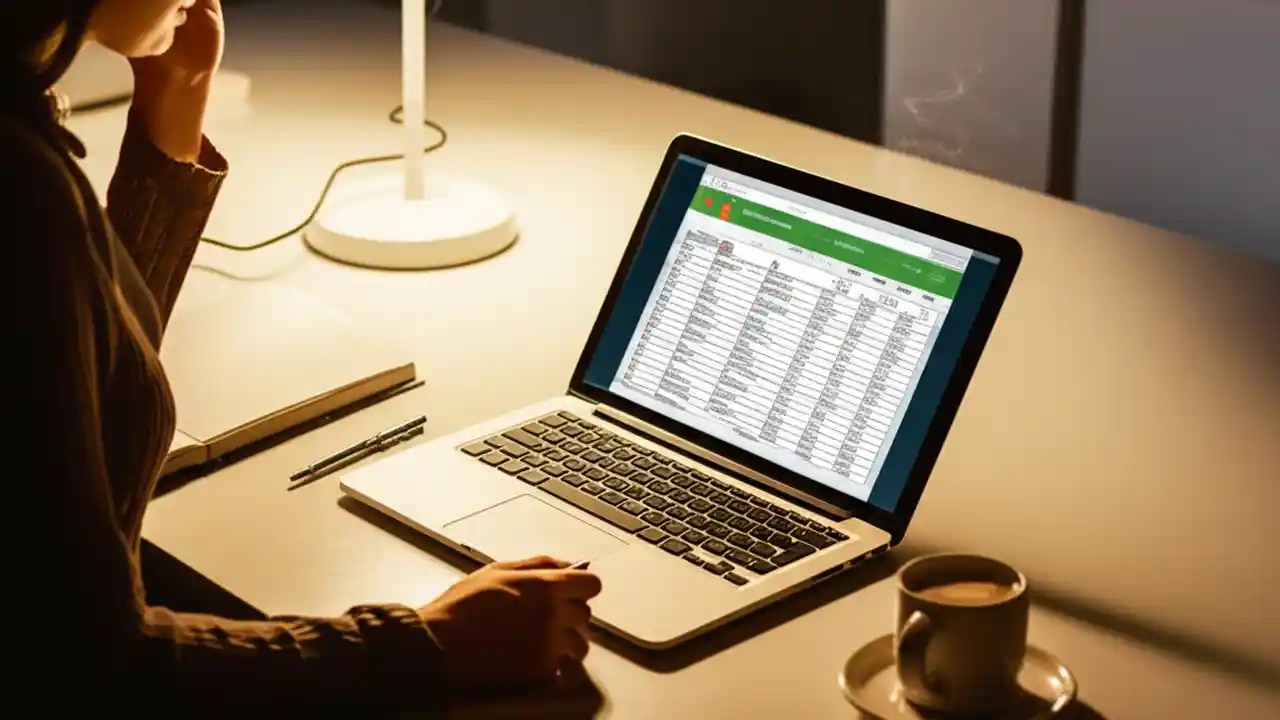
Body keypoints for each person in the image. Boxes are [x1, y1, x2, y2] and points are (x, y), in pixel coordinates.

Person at [5, 0, 602, 710]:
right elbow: (92, 663)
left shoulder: (25, 129)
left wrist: (177, 94)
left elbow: (91, 364)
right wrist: (429, 642)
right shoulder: (20, 185)